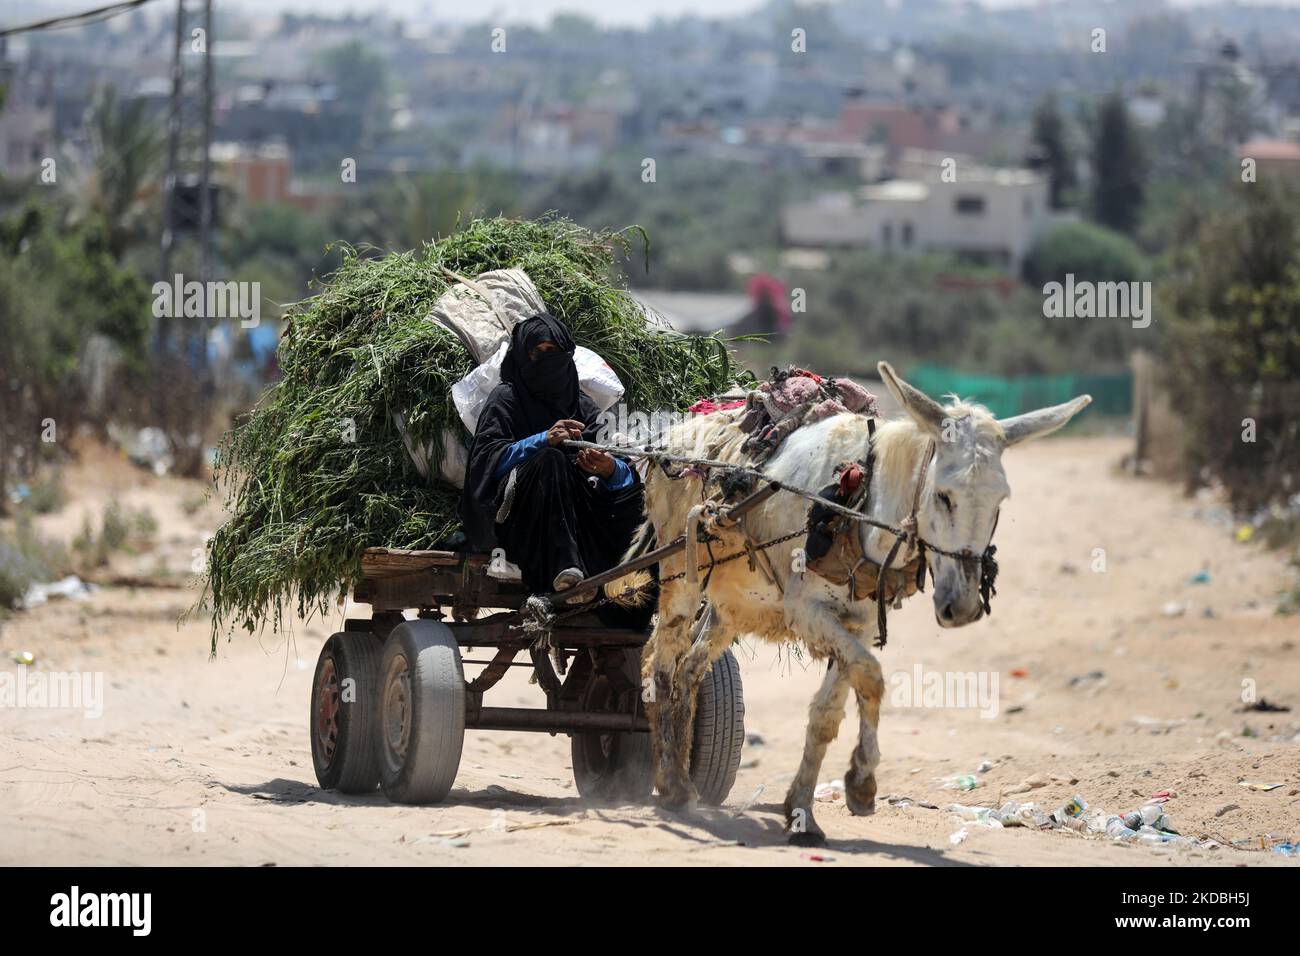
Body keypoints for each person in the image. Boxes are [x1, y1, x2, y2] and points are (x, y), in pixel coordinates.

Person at [459, 312, 645, 599]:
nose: (548, 361)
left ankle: (628, 580)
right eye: (538, 353)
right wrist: (542, 440)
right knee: (551, 460)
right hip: (517, 519)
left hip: (576, 515)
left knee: (633, 488)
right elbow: (486, 463)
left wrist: (609, 469)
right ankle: (565, 570)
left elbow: (616, 457)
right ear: (524, 356)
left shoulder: (581, 404)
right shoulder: (506, 399)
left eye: (554, 353)